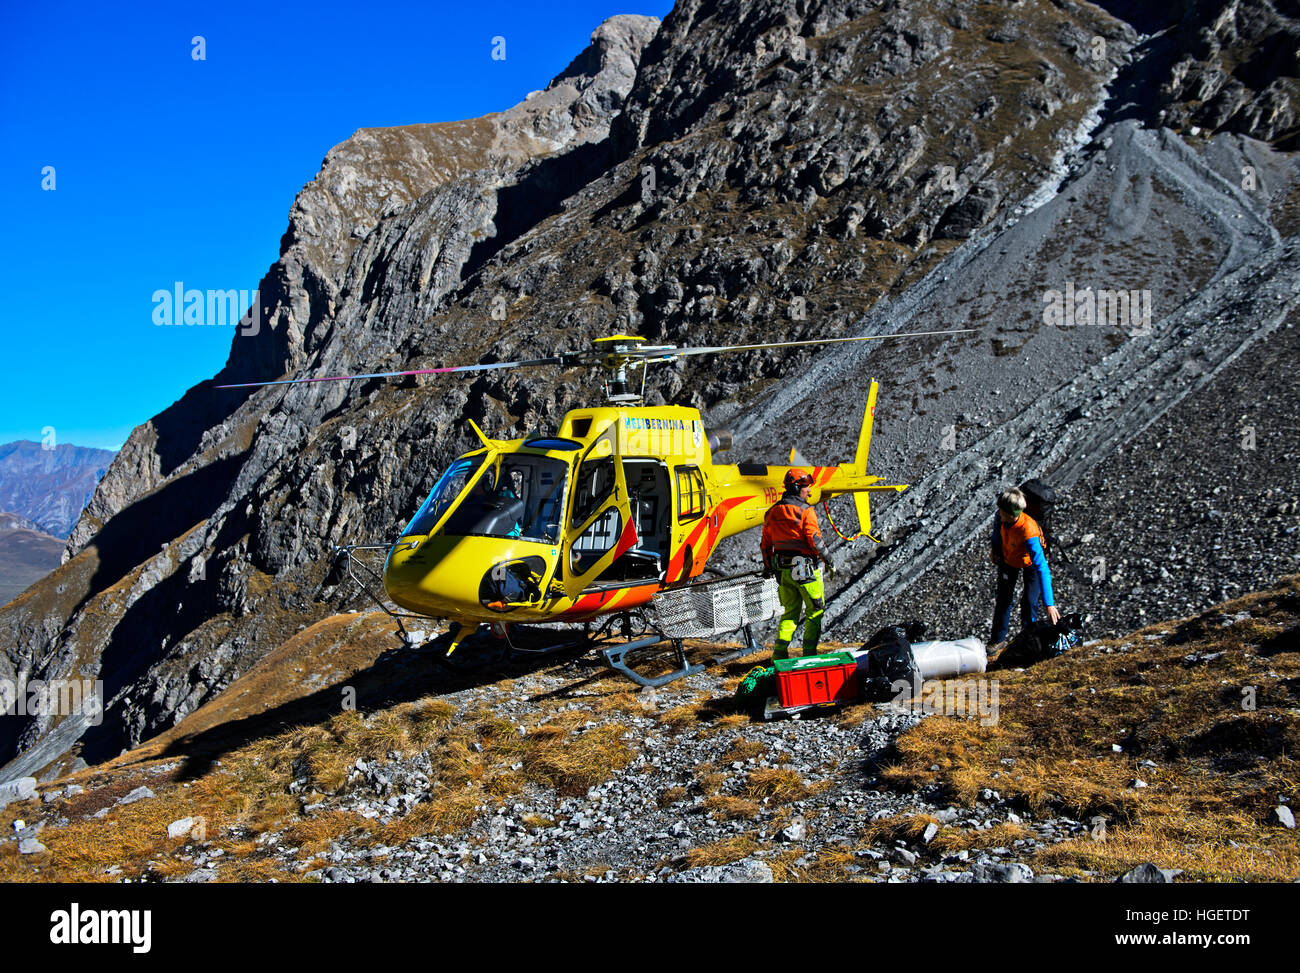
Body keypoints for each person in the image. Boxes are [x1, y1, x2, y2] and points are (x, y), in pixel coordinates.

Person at [761, 469, 838, 660]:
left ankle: (778, 656)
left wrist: (769, 567)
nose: (809, 492)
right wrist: (829, 561)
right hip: (804, 570)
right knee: (815, 610)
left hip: (782, 571)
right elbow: (815, 540)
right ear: (797, 488)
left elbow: (765, 545)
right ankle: (809, 655)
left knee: (790, 613)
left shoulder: (772, 512)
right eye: (806, 488)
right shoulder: (806, 511)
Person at [989, 486, 1060, 648]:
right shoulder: (1000, 516)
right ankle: (997, 640)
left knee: (1029, 602)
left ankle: (1029, 639)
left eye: (1001, 511)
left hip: (1029, 563)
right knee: (1004, 599)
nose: (998, 513)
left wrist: (1049, 603)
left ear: (1010, 514)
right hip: (1008, 558)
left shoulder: (1029, 532)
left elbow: (1042, 567)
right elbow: (996, 532)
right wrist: (994, 549)